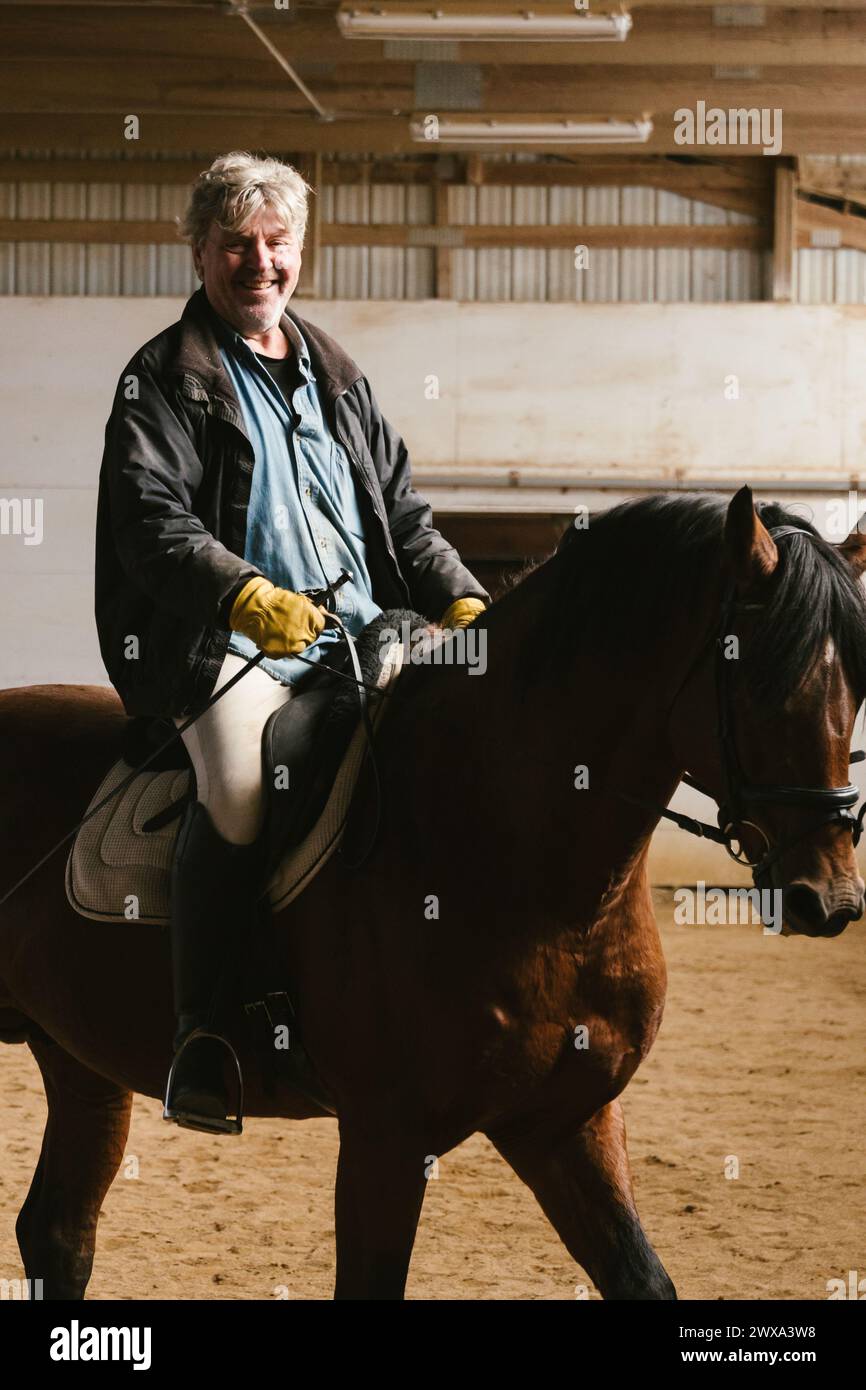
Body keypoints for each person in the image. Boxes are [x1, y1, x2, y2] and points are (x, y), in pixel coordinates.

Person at [94, 151, 489, 1132]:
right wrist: (247, 596)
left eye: (276, 244)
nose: (258, 263)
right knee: (238, 791)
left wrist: (463, 601)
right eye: (236, 245)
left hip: (365, 639)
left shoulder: (339, 378)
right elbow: (151, 525)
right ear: (198, 254)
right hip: (220, 648)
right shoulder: (163, 380)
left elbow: (402, 515)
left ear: (300, 252)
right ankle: (204, 1036)